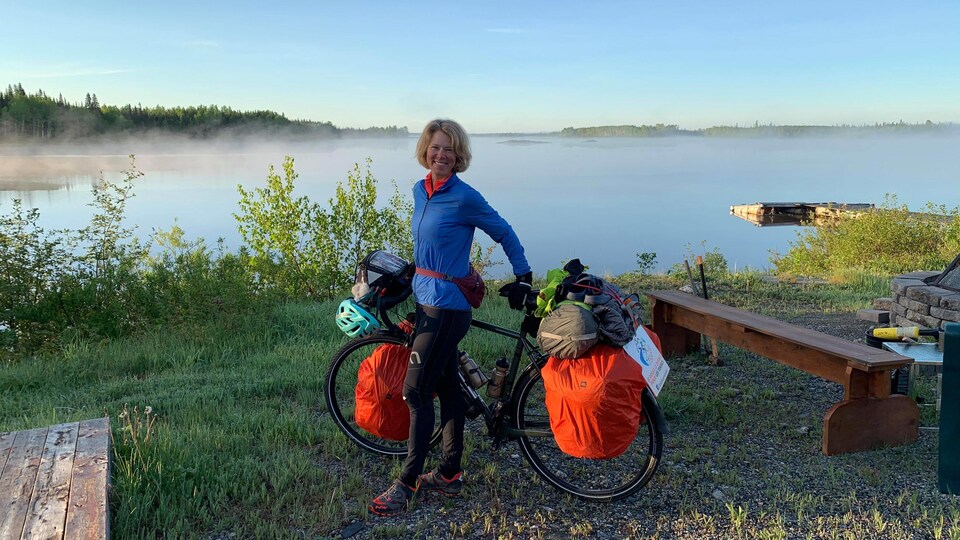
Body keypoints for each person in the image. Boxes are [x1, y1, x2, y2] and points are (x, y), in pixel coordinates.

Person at [368, 119, 532, 516]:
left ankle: (406, 483)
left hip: (446, 306)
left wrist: (523, 275)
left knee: (416, 392)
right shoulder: (419, 190)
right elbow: (428, 244)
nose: (441, 155)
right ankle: (449, 474)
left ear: (459, 157)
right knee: (449, 390)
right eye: (435, 147)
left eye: (449, 150)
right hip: (426, 299)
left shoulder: (465, 197)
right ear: (426, 149)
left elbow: (504, 231)